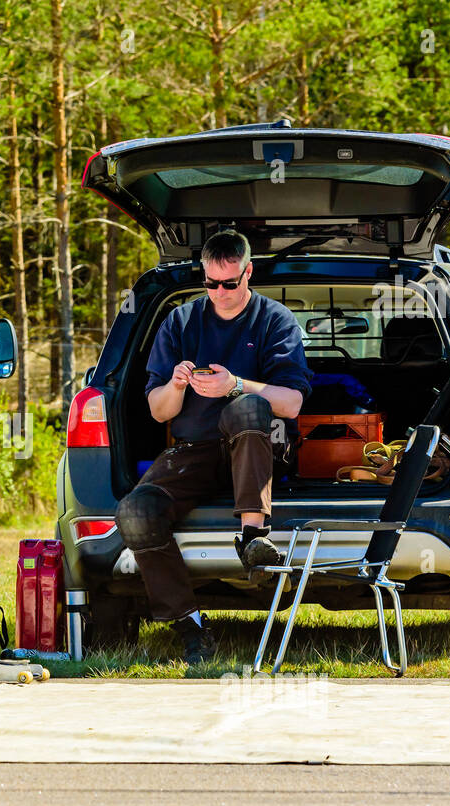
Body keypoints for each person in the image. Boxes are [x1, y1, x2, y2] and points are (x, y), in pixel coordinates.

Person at [115, 229, 312, 664]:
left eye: (231, 283)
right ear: (203, 276)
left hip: (260, 446)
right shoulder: (180, 322)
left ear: (249, 273)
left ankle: (252, 537)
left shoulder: (275, 320)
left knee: (245, 408)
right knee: (135, 511)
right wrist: (177, 384)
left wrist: (236, 384)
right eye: (211, 283)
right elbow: (159, 412)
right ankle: (191, 628)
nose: (221, 293)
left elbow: (293, 404)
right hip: (195, 451)